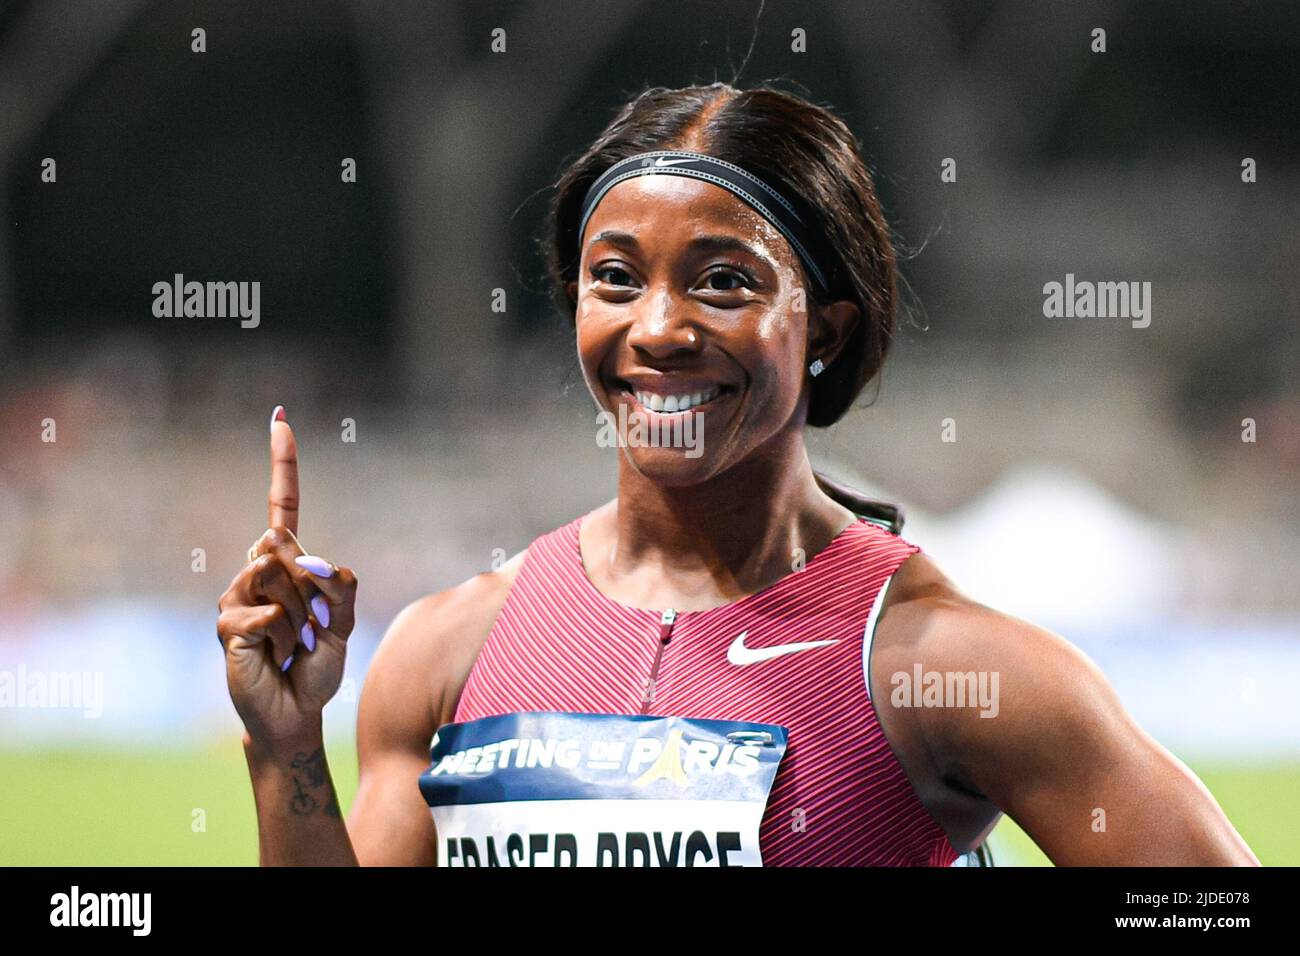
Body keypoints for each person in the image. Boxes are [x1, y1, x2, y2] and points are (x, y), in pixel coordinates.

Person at [216, 82, 1259, 866]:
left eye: (723, 282)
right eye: (614, 277)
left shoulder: (937, 664)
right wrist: (286, 748)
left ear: (824, 328)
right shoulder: (446, 648)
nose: (659, 327)